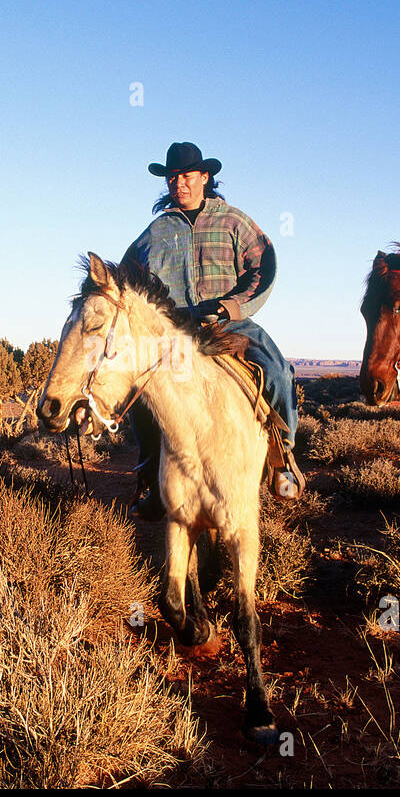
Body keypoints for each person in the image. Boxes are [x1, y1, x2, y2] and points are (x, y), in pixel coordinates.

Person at [120, 141, 301, 520]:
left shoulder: (234, 222)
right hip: (173, 332)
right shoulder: (154, 233)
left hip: (228, 321)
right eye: (172, 177)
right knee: (141, 395)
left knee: (279, 371)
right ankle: (151, 475)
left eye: (186, 175)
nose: (178, 182)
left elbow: (263, 269)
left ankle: (283, 457)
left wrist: (233, 306)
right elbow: (126, 282)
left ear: (205, 177)